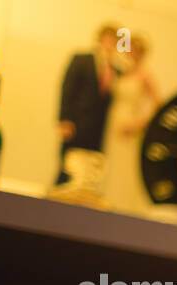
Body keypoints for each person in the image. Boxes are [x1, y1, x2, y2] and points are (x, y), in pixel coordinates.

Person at [100, 34, 161, 213]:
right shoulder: (120, 71)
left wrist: (139, 123)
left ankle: (123, 208)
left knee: (125, 169)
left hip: (129, 125)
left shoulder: (145, 75)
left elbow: (158, 104)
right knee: (108, 165)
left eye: (136, 51)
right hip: (113, 123)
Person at [55, 24, 121, 185]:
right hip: (77, 123)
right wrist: (65, 120)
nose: (111, 44)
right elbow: (67, 88)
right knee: (68, 169)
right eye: (108, 39)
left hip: (99, 130)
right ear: (100, 39)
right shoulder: (82, 59)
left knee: (89, 174)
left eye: (115, 41)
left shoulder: (117, 69)